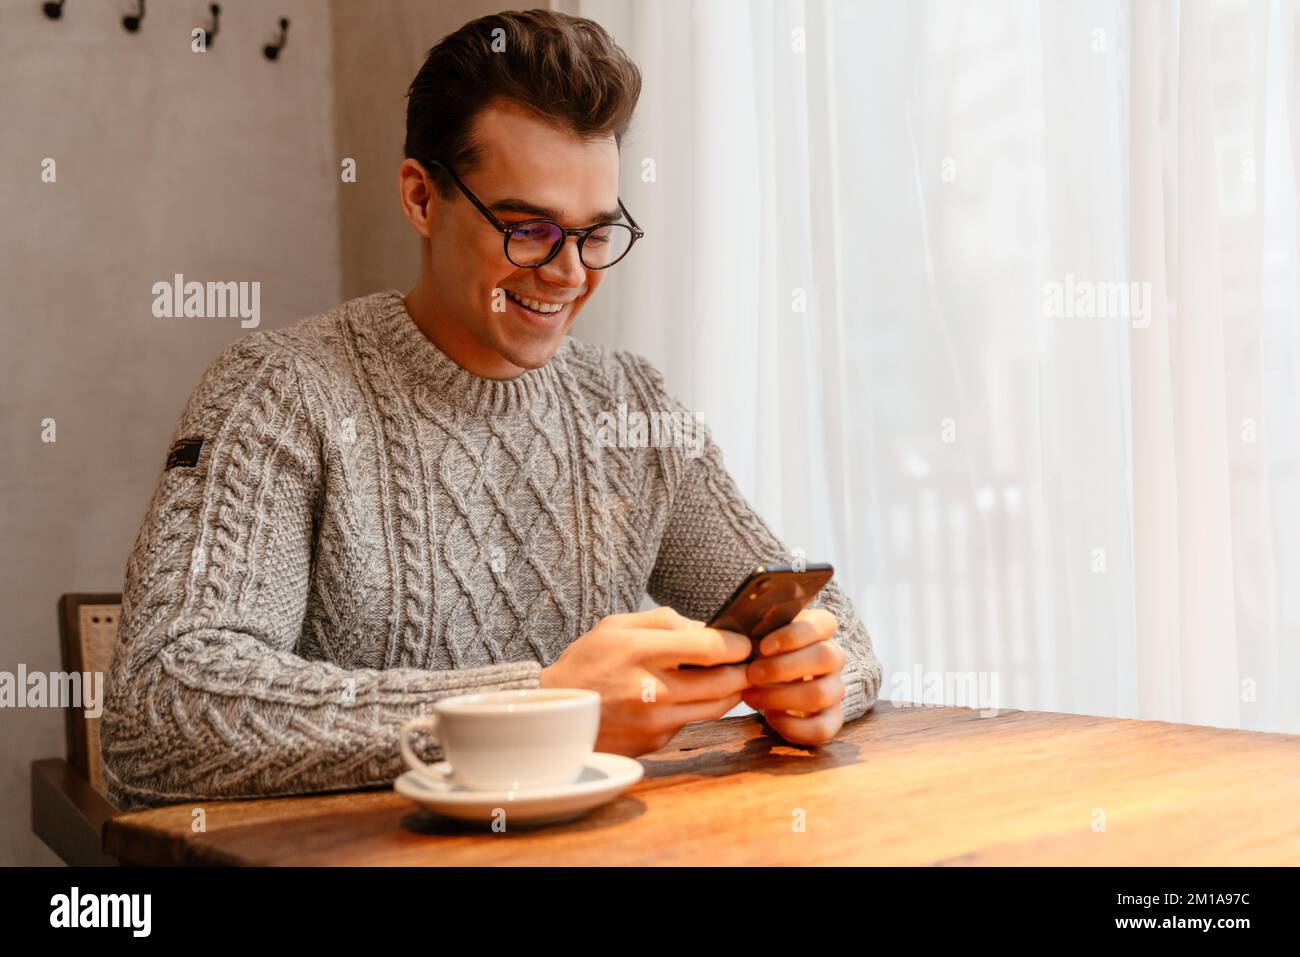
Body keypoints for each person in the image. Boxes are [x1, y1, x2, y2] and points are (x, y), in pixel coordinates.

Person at [101, 8, 882, 811]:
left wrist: (819, 679)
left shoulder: (632, 408)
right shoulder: (278, 392)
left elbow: (830, 623)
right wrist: (539, 706)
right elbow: (159, 715)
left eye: (595, 233)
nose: (568, 272)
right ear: (420, 198)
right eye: (528, 228)